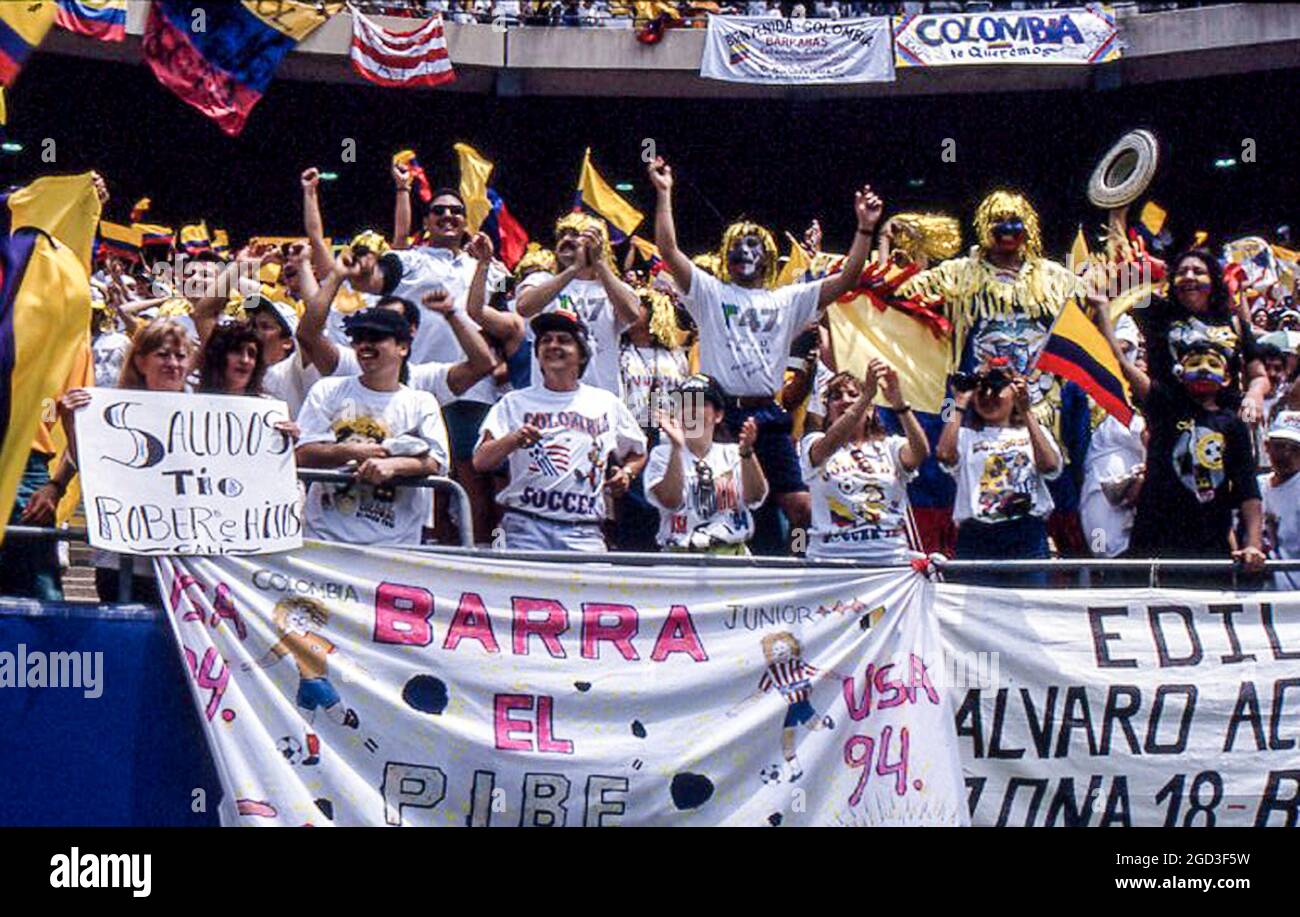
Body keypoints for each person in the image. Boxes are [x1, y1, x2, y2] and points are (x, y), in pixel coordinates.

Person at [648, 155, 879, 546]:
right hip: (716, 415)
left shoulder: (788, 299)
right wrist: (665, 193)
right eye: (736, 246)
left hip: (768, 414)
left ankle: (799, 572)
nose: (744, 252)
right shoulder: (710, 292)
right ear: (726, 254)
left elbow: (849, 278)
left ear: (768, 255)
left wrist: (864, 228)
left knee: (800, 507)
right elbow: (668, 250)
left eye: (752, 245)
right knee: (718, 503)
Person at [1093, 288, 1265, 584]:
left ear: (1226, 377)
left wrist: (1253, 543)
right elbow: (1121, 362)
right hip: (1155, 541)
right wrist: (1102, 313)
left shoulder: (1233, 425)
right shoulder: (1163, 405)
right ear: (1179, 372)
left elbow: (1249, 492)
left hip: (1210, 547)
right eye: (1193, 363)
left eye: (1212, 364)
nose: (1202, 369)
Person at [473, 309, 646, 552]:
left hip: (584, 531)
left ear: (582, 354)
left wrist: (627, 473)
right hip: (525, 528)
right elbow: (481, 460)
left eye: (564, 340)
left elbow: (638, 451)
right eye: (545, 340)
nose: (553, 345)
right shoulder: (514, 402)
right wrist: (514, 439)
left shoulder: (606, 403)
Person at [295, 309, 449, 547]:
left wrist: (393, 465)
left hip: (395, 544)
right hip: (324, 541)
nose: (364, 345)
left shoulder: (421, 401)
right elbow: (302, 454)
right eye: (358, 338)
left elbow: (437, 462)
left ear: (403, 348)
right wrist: (352, 452)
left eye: (375, 338)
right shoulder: (327, 390)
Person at [935, 357, 1063, 585]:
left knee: (1030, 604)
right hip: (978, 535)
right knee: (978, 612)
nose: (988, 396)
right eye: (981, 390)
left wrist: (1026, 412)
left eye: (997, 389)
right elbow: (944, 456)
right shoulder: (965, 436)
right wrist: (960, 400)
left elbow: (1051, 467)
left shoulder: (1032, 432)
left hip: (1025, 533)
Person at [801, 360, 929, 563]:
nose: (845, 400)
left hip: (888, 559)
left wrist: (900, 404)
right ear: (827, 409)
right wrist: (866, 396)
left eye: (853, 395)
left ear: (870, 411)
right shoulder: (812, 442)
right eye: (836, 397)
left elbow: (920, 453)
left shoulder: (891, 446)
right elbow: (829, 444)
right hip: (831, 561)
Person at [1136, 247, 1269, 425]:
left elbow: (1259, 376)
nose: (1189, 276)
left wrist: (1254, 396)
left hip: (1223, 429)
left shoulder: (1233, 323)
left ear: (1213, 280)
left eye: (1198, 271)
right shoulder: (1156, 314)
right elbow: (1119, 283)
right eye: (1182, 272)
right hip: (1168, 427)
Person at [515, 211, 642, 395]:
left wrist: (599, 264)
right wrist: (573, 269)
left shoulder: (613, 288)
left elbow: (632, 315)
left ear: (598, 244)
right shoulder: (540, 280)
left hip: (599, 399)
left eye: (575, 234)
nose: (566, 239)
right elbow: (525, 307)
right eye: (562, 235)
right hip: (549, 400)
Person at [645, 375, 767, 554]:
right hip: (679, 559)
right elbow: (669, 501)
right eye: (684, 404)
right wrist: (677, 448)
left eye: (700, 403)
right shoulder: (662, 454)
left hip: (732, 557)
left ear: (718, 415)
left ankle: (798, 546)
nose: (690, 410)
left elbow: (755, 497)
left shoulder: (734, 453)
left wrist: (747, 453)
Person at [1079, 315, 1147, 560]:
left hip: (1136, 492)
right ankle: (1101, 570)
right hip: (1099, 487)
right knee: (1100, 543)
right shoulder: (1084, 395)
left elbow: (1120, 347)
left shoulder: (1123, 318)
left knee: (1134, 554)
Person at [1260, 411, 1300, 591]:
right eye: (1280, 446)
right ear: (1267, 446)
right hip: (1258, 593)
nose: (1286, 455)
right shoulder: (1254, 487)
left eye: (1295, 449)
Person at [197, 320, 265, 396]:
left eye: (251, 354)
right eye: (236, 351)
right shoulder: (194, 400)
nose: (245, 360)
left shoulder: (268, 405)